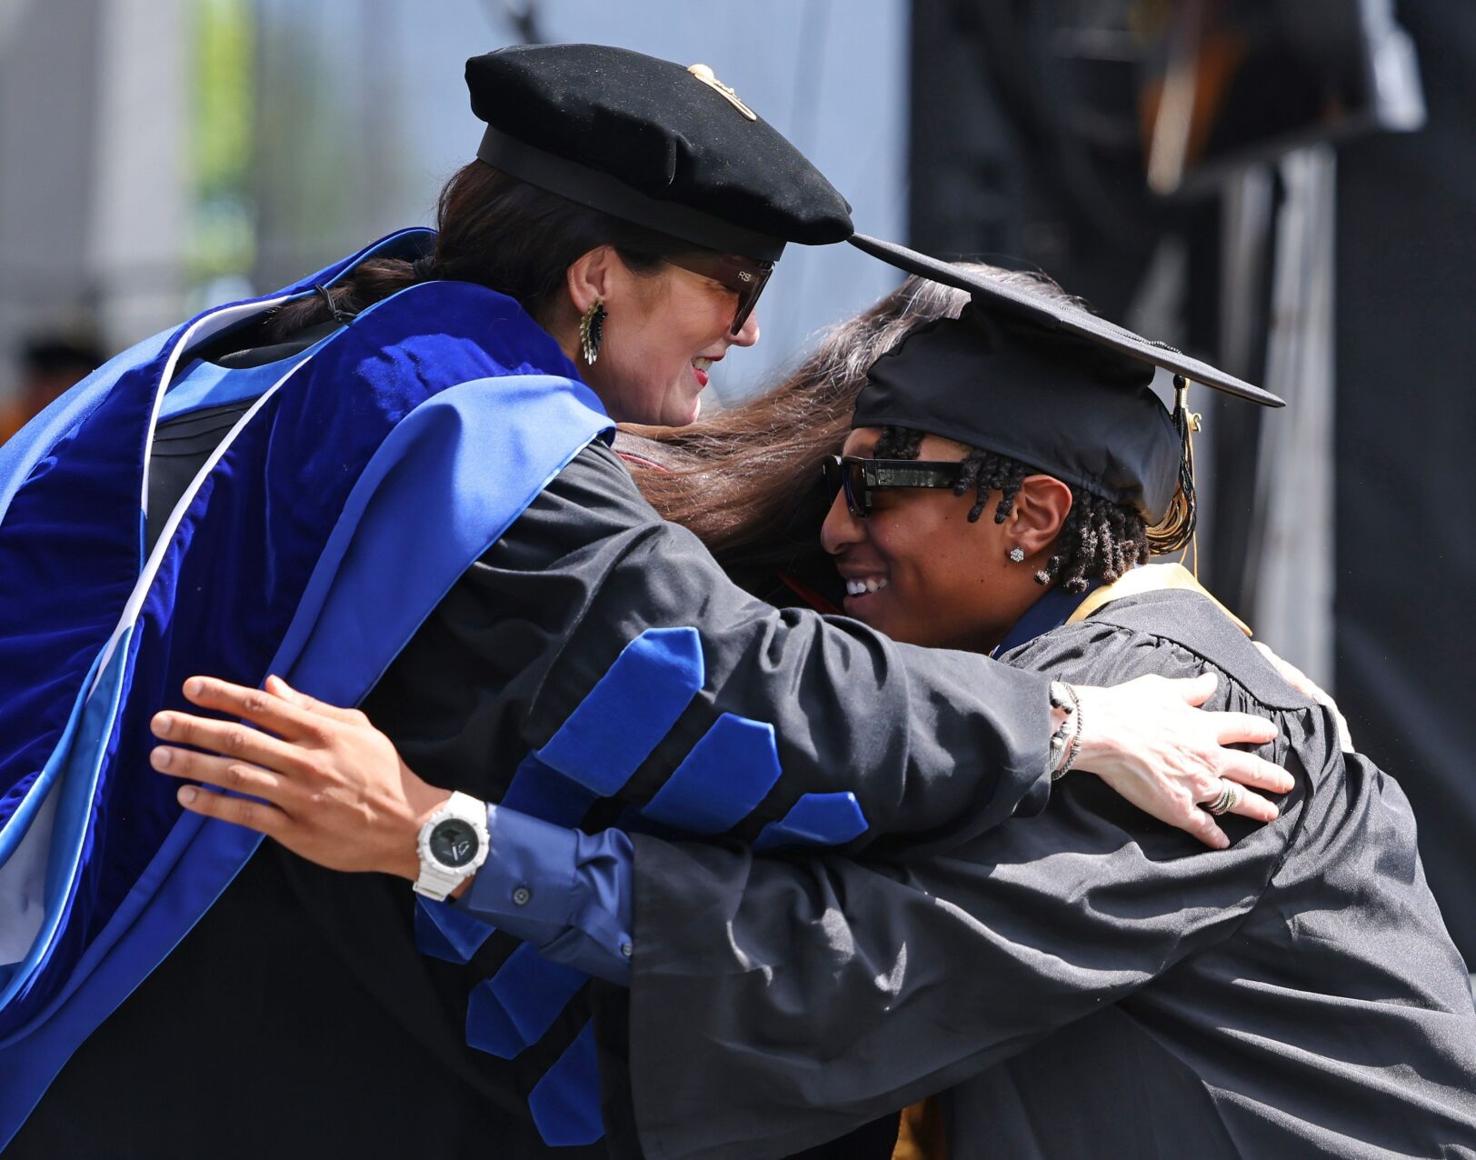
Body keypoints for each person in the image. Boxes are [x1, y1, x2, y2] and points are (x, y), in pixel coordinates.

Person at [0, 45, 1288, 1159]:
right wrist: (1068, 725)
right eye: (733, 289)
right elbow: (748, 691)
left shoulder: (312, 344)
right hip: (156, 1032)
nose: (742, 338)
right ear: (601, 274)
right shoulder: (467, 441)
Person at [158, 239, 1476, 1158]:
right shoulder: (1026, 700)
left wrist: (430, 831)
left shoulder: (1182, 729)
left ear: (1032, 513)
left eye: (880, 481)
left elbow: (848, 966)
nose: (837, 527)